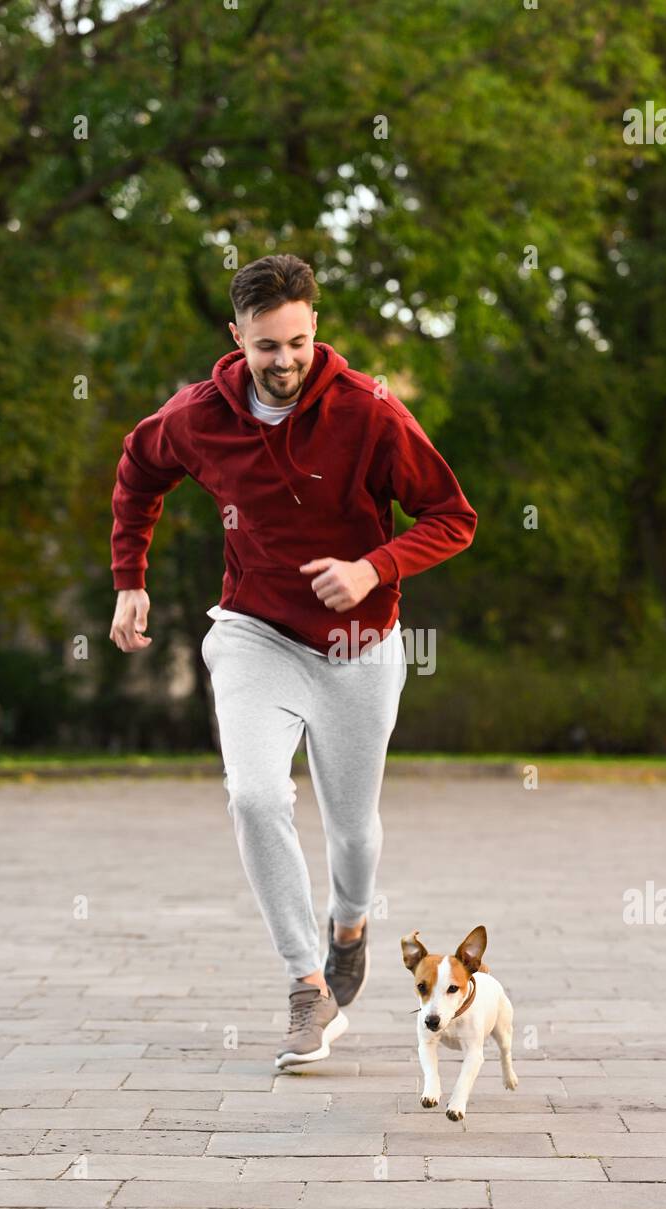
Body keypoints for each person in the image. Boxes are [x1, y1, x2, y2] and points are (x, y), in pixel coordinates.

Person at [108, 253, 477, 1067]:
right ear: (236, 337)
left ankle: (350, 923)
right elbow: (139, 470)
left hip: (359, 646)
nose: (285, 362)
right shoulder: (198, 415)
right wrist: (129, 579)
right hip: (255, 632)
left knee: (352, 830)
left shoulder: (371, 412)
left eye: (299, 343)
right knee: (253, 795)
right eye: (267, 346)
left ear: (317, 330)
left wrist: (372, 567)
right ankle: (308, 991)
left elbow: (454, 516)